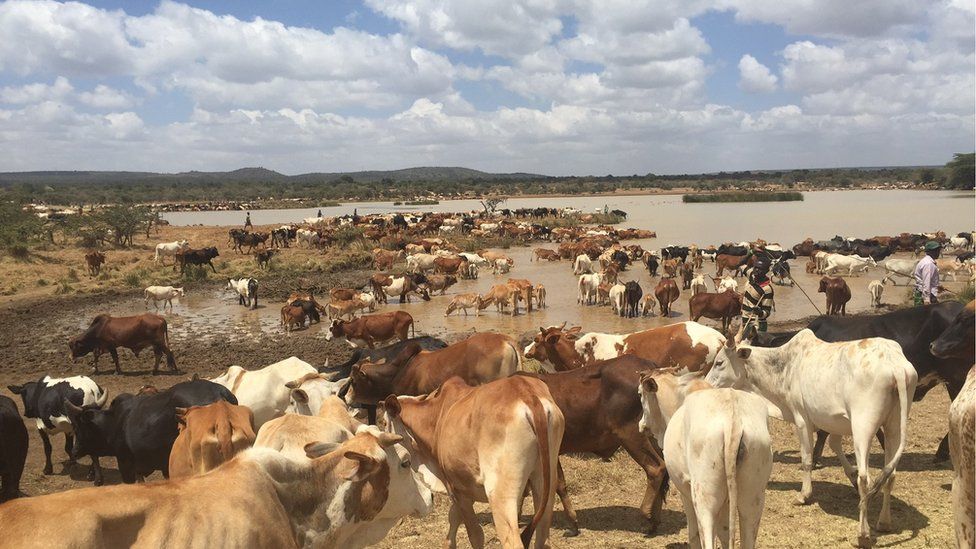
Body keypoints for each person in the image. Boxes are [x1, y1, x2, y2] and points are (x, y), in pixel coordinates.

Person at [741, 244, 774, 332]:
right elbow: (740, 264)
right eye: (755, 268)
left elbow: (767, 312)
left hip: (757, 325)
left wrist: (759, 312)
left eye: (760, 269)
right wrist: (751, 252)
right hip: (745, 321)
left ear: (766, 271)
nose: (756, 271)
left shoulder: (767, 289)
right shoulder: (752, 276)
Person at [913, 241, 941, 305]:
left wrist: (938, 286)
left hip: (923, 292)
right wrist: (927, 300)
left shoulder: (926, 261)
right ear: (930, 252)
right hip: (928, 295)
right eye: (936, 250)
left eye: (938, 250)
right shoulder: (928, 264)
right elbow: (926, 282)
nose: (938, 252)